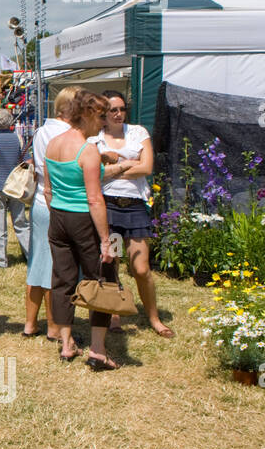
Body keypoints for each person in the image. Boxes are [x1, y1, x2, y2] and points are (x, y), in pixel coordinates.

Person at [45, 90, 119, 369]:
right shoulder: (87, 150)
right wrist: (105, 241)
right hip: (84, 220)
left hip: (59, 218)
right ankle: (97, 349)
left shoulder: (53, 144)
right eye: (101, 116)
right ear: (86, 115)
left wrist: (58, 217)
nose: (104, 122)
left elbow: (48, 190)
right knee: (102, 277)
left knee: (63, 280)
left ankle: (66, 344)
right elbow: (94, 198)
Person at [93, 90, 171, 337]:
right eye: (112, 110)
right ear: (103, 113)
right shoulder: (94, 139)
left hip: (135, 205)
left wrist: (114, 167)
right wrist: (130, 163)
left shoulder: (138, 132)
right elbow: (95, 173)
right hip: (110, 207)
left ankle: (154, 317)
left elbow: (147, 167)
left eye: (122, 109)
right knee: (112, 263)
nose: (118, 114)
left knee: (141, 268)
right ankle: (115, 313)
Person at [24, 86, 80, 338]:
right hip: (60, 203)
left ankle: (30, 323)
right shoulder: (69, 134)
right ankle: (54, 326)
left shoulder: (40, 131)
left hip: (39, 202)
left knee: (38, 264)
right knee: (56, 269)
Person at [0, 108, 31, 269]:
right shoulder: (17, 139)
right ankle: (29, 256)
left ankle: (1, 260)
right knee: (21, 222)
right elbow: (26, 161)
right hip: (16, 185)